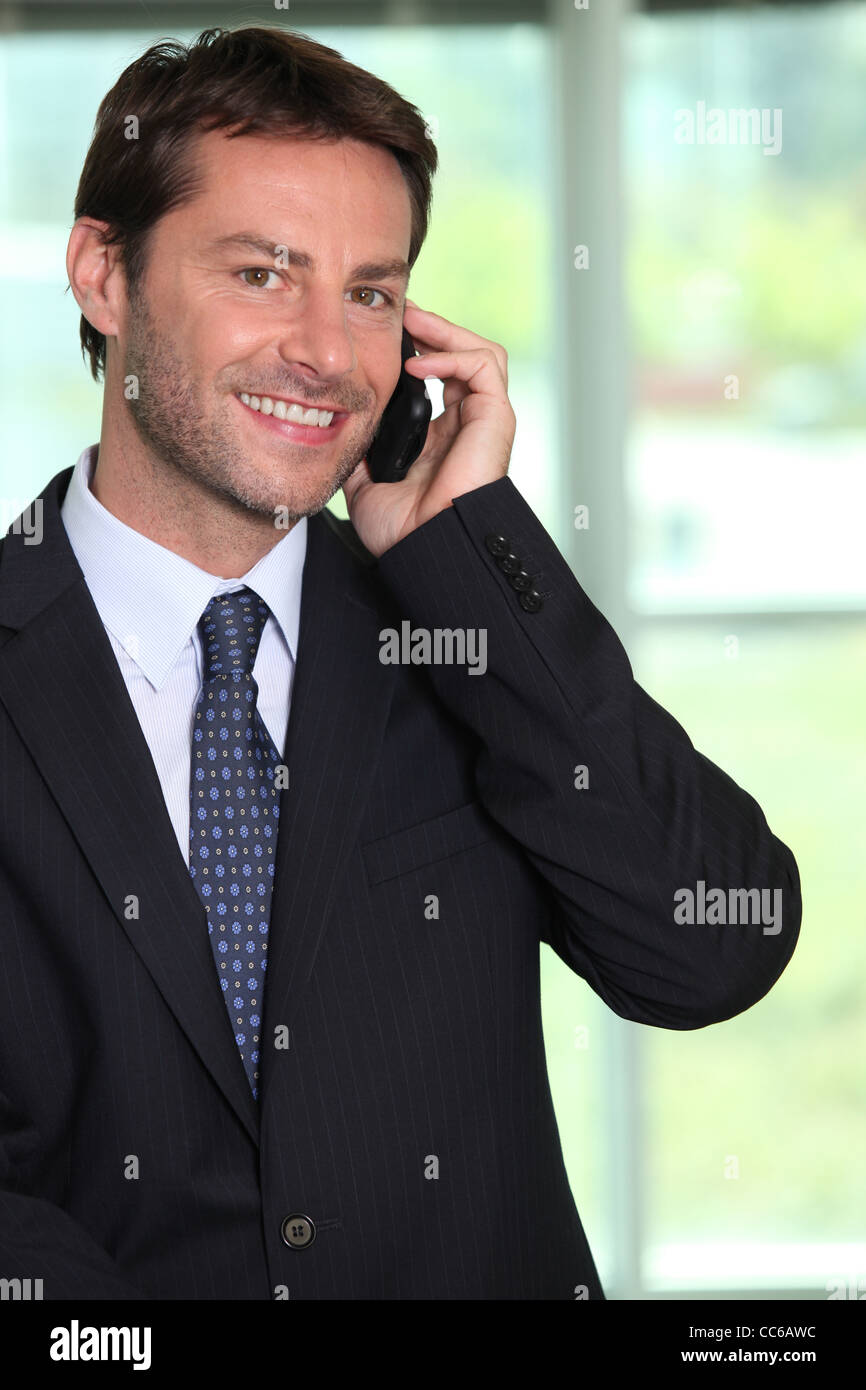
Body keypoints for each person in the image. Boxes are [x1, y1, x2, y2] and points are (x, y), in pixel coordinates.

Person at [0, 25, 800, 1301]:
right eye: (264, 273)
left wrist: (470, 558)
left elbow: (714, 948)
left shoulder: (454, 628)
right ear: (105, 273)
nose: (328, 351)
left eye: (369, 291)